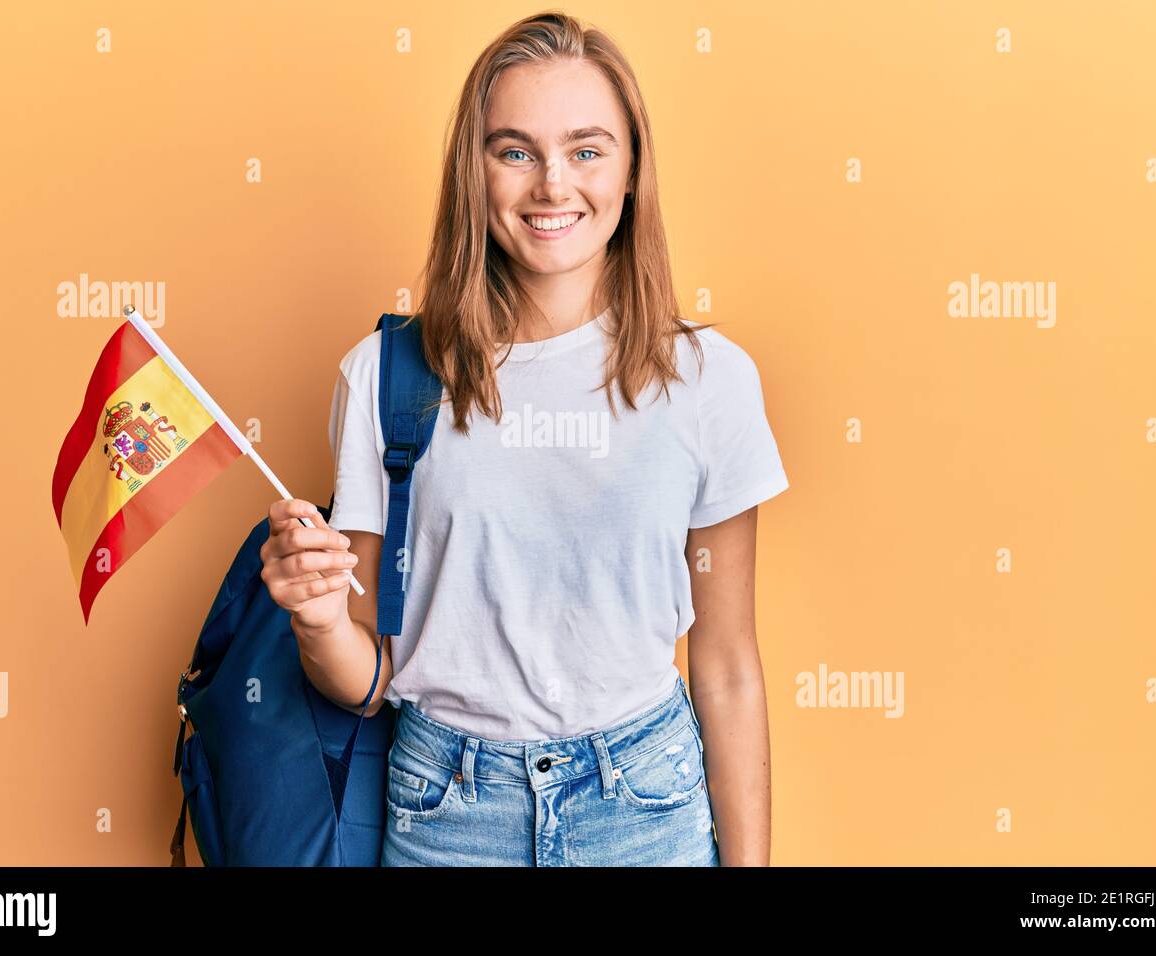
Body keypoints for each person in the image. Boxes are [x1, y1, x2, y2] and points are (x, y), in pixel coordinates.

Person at [260, 10, 790, 866]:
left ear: (631, 172)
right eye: (515, 151)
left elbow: (726, 666)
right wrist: (319, 622)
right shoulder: (385, 376)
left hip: (646, 805)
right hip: (447, 812)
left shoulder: (710, 380)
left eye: (587, 150)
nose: (552, 185)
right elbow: (367, 681)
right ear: (475, 173)